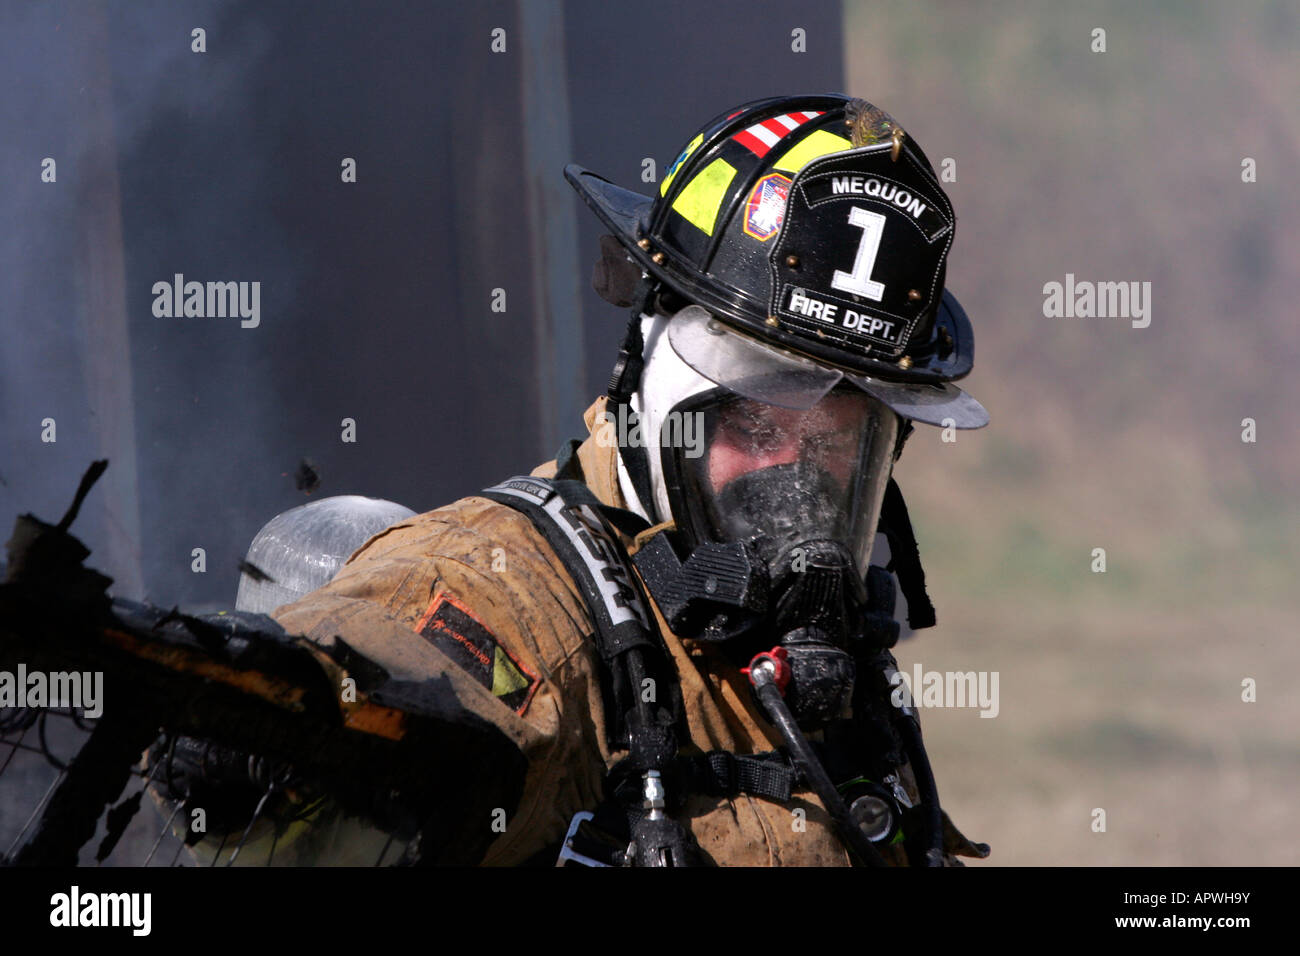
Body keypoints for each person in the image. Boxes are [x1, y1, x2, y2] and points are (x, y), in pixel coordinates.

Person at [250, 94, 992, 866]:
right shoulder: (504, 591)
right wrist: (266, 735)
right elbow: (364, 675)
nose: (793, 480)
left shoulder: (825, 662)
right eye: (758, 423)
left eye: (838, 439)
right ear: (658, 389)